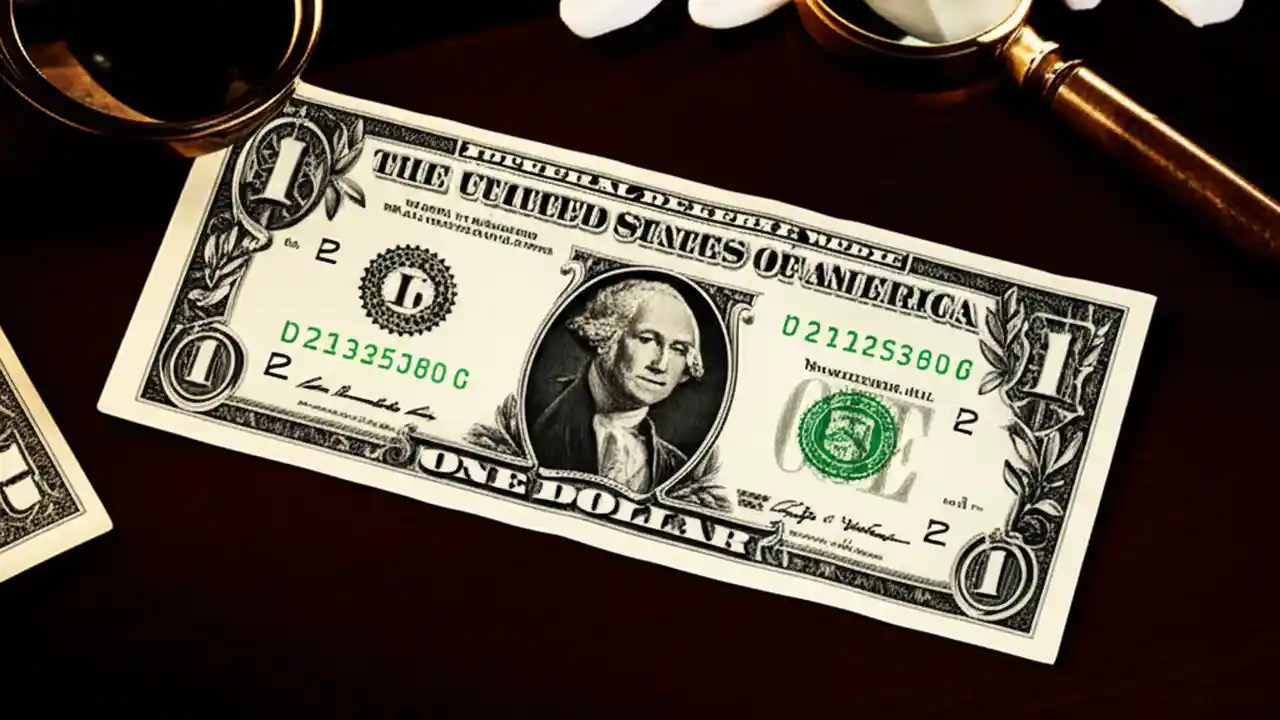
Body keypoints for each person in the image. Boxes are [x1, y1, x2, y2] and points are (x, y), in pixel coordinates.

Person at [529, 278, 704, 494]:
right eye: (647, 339)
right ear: (606, 337)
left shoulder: (677, 467)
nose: (661, 365)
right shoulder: (532, 412)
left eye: (678, 349)